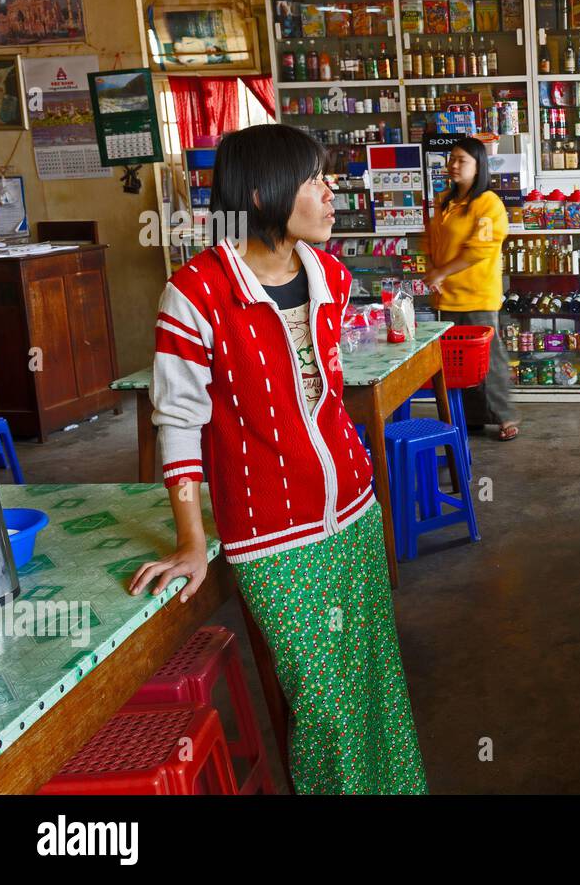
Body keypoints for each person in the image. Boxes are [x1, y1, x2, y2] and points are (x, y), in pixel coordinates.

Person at [132, 123, 427, 794]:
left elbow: (323, 385)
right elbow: (179, 419)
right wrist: (190, 536)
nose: (331, 194)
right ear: (265, 193)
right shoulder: (197, 293)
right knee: (322, 705)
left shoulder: (329, 274)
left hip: (354, 510)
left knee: (376, 682)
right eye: (315, 180)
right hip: (272, 535)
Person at [425, 136, 519, 441]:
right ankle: (473, 417)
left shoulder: (488, 203)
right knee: (456, 363)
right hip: (446, 297)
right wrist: (433, 272)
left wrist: (441, 271)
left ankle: (504, 417)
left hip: (477, 295)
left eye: (461, 160)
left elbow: (479, 249)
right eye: (450, 159)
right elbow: (435, 242)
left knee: (489, 360)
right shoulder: (445, 201)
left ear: (479, 167)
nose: (452, 165)